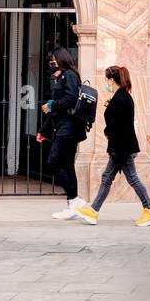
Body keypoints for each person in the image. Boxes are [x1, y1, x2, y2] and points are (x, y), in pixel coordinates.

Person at [76, 66, 150, 227]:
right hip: (122, 146)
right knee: (107, 178)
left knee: (132, 179)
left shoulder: (120, 98)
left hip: (122, 148)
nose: (105, 82)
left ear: (112, 80)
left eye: (106, 79)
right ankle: (93, 211)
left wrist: (114, 145)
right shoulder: (122, 97)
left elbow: (118, 126)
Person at [41, 46, 88, 219]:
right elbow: (58, 106)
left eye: (53, 58)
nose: (51, 62)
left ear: (61, 59)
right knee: (68, 166)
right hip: (62, 126)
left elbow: (71, 98)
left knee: (53, 162)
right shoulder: (61, 76)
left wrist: (52, 104)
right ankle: (72, 206)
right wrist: (43, 131)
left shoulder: (69, 75)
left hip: (69, 128)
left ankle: (76, 199)